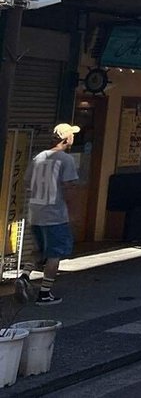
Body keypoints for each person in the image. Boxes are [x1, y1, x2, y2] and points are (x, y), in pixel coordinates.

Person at [18, 123, 80, 305]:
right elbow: (69, 188)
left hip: (35, 211)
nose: (73, 137)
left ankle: (24, 275)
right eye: (72, 135)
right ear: (66, 138)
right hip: (55, 213)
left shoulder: (38, 157)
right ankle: (44, 293)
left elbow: (27, 182)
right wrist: (73, 213)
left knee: (39, 249)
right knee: (54, 254)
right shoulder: (65, 160)